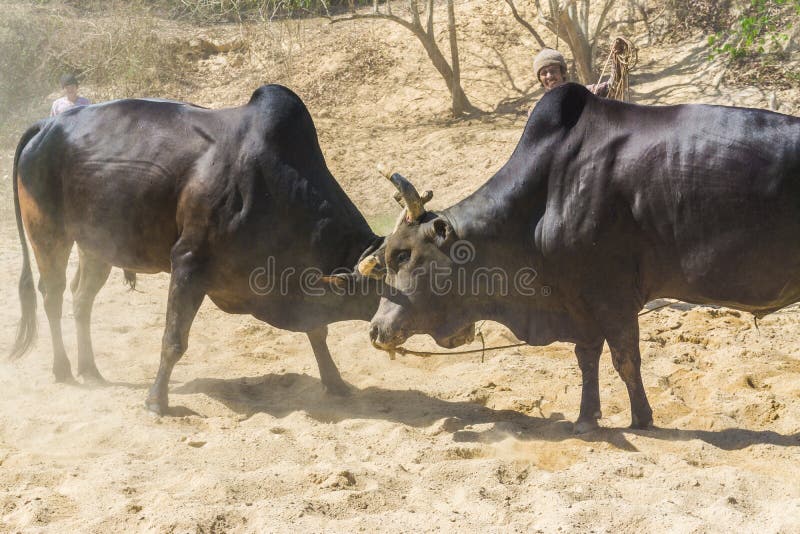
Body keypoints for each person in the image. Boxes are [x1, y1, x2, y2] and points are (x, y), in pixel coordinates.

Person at [533, 48, 612, 97]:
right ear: (540, 79)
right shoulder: (537, 110)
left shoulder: (583, 93)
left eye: (553, 71)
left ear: (563, 73)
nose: (549, 76)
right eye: (544, 73)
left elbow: (612, 85)